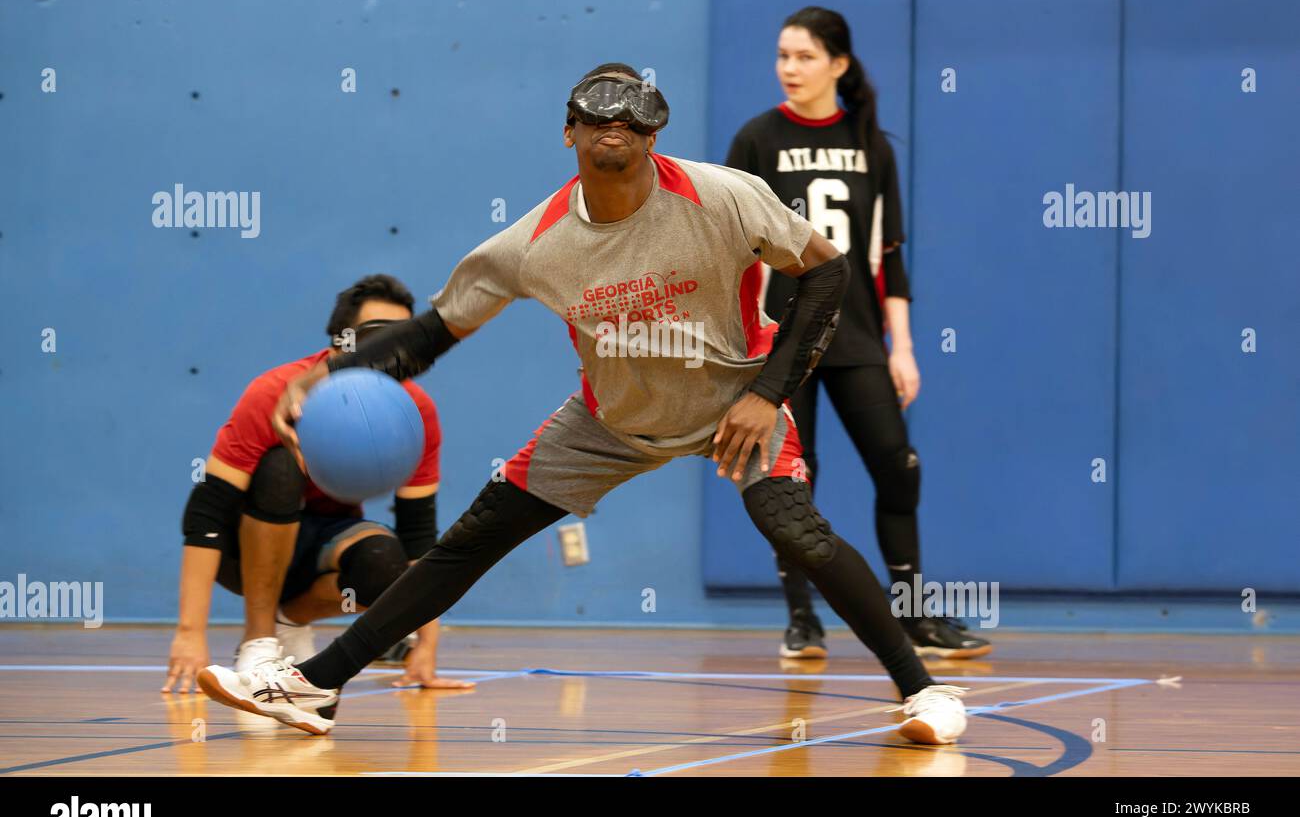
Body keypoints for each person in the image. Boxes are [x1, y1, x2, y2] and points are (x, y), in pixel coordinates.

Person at [197, 64, 967, 744]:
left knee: (792, 528)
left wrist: (769, 394)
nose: (615, 129)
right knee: (473, 538)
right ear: (568, 133)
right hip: (612, 421)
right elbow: (431, 334)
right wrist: (331, 372)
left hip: (737, 402)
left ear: (654, 134)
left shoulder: (724, 197)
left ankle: (925, 690)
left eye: (633, 118)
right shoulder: (533, 243)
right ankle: (319, 687)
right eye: (597, 117)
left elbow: (828, 275)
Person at [727, 7, 990, 661]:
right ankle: (801, 620)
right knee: (790, 481)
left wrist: (903, 347)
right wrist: (741, 349)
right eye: (783, 55)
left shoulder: (872, 143)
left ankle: (914, 616)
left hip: (857, 338)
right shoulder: (755, 140)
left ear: (838, 65)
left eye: (805, 57)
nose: (790, 68)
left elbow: (888, 256)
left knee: (898, 470)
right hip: (782, 340)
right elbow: (730, 254)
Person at [164, 275, 472, 694]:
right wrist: (189, 633)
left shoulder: (413, 412)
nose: (390, 351)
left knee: (385, 565)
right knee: (281, 468)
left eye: (404, 339)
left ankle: (289, 619)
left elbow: (418, 534)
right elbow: (207, 512)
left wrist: (425, 646)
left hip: (320, 549)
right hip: (242, 550)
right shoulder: (276, 391)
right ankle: (258, 643)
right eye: (376, 338)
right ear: (340, 344)